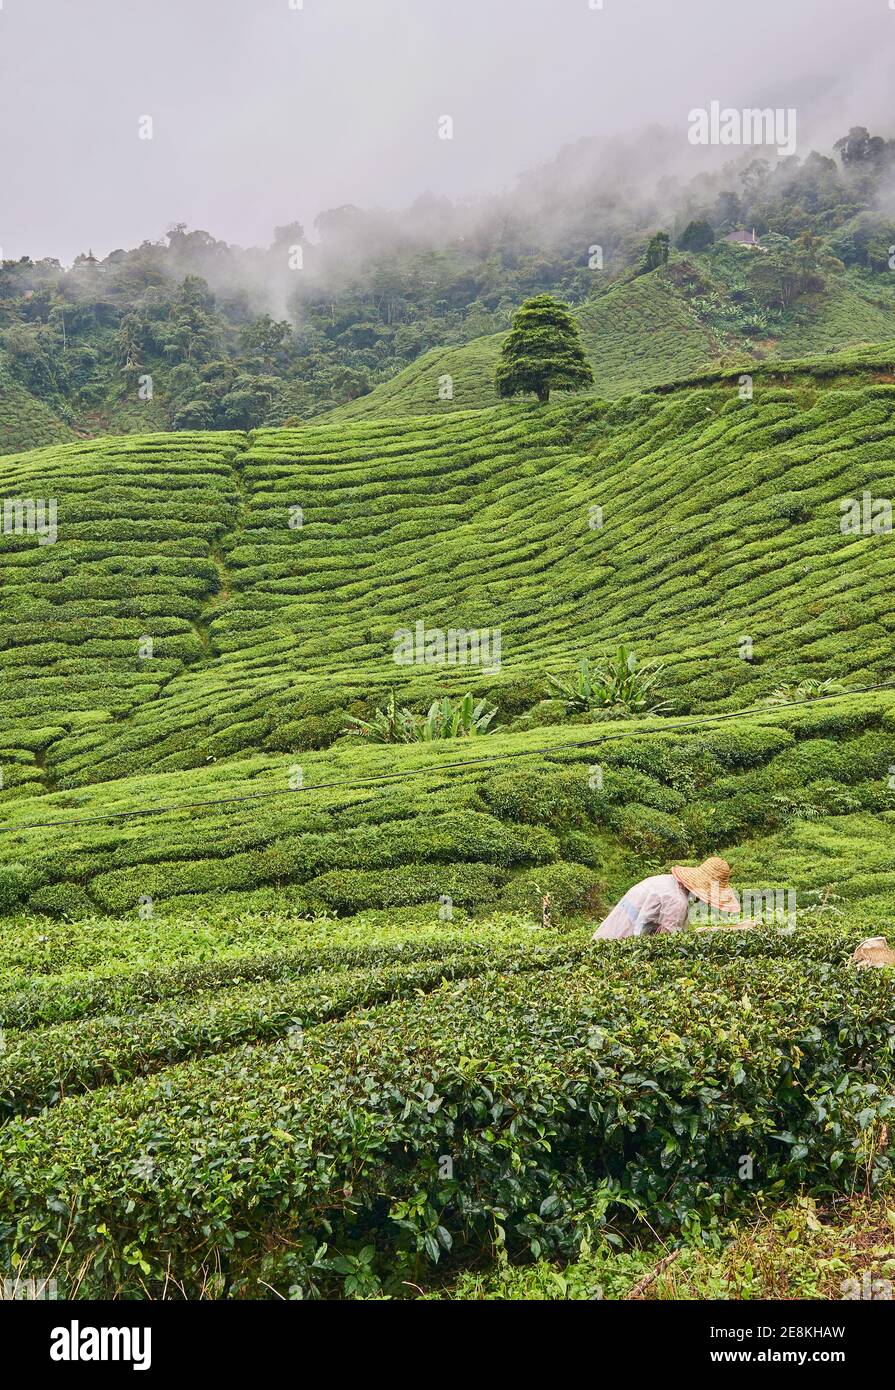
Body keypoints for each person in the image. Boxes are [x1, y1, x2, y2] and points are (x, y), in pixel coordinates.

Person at [592, 856, 739, 941]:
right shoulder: (677, 902)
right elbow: (668, 942)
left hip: (606, 935)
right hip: (619, 941)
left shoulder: (666, 881)